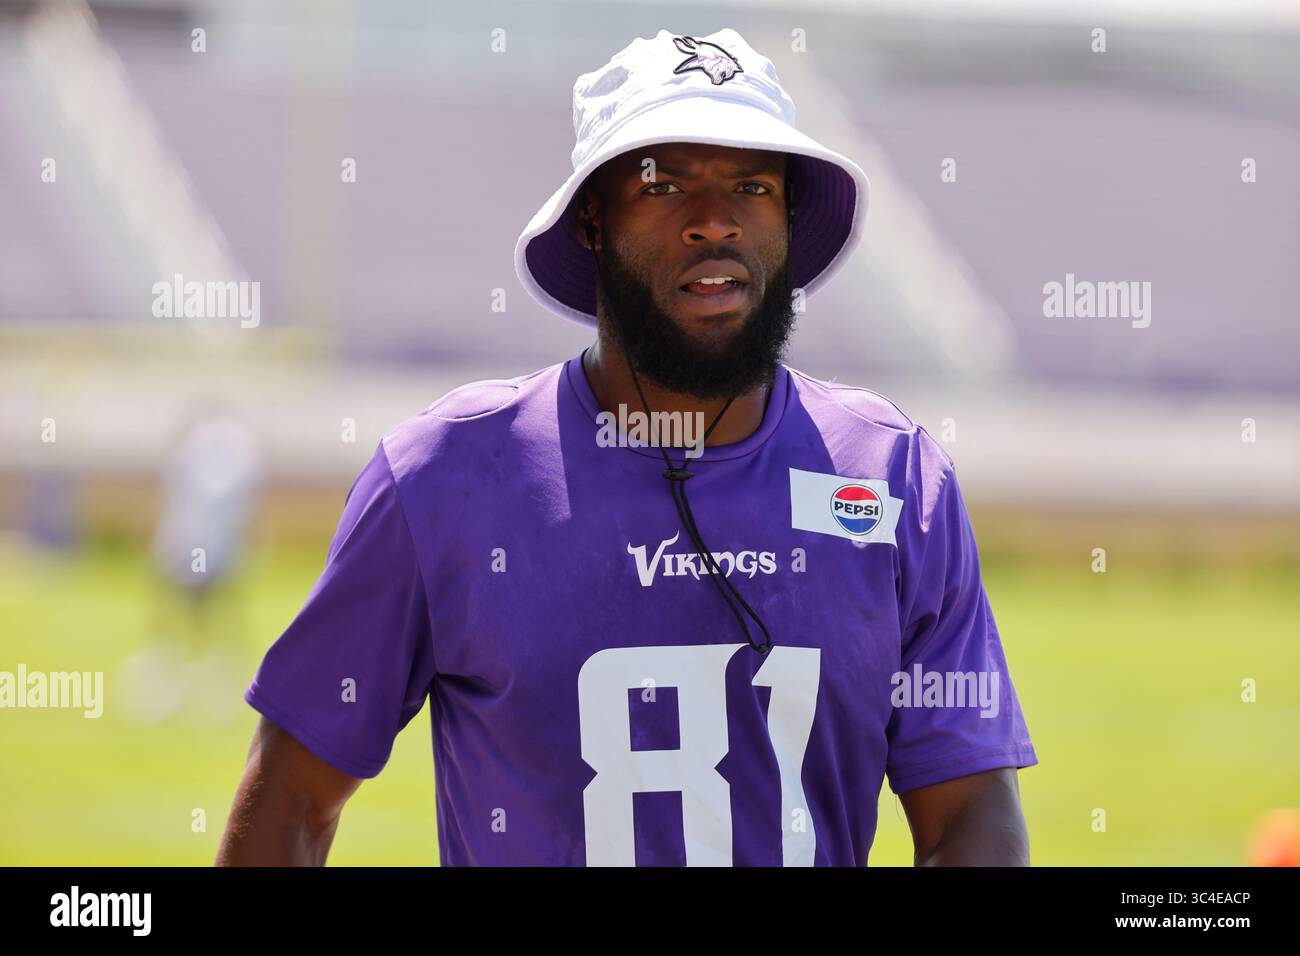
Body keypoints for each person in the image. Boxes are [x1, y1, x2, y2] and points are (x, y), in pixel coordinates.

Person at [217, 28, 1037, 867]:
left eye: (751, 185)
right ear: (592, 220)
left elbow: (969, 812)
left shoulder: (895, 478)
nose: (712, 221)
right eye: (665, 184)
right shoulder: (446, 477)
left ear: (788, 220)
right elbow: (291, 804)